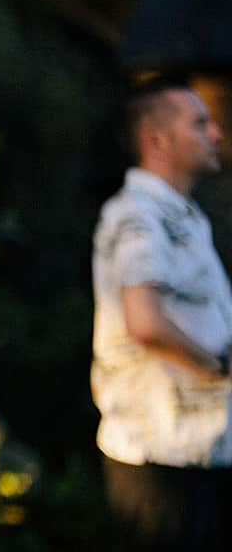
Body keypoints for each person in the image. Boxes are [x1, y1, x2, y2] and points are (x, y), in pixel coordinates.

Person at [91, 75, 232, 550]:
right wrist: (220, 365)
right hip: (160, 466)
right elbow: (145, 322)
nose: (215, 134)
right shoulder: (138, 217)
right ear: (158, 141)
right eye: (200, 124)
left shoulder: (181, 216)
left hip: (192, 457)